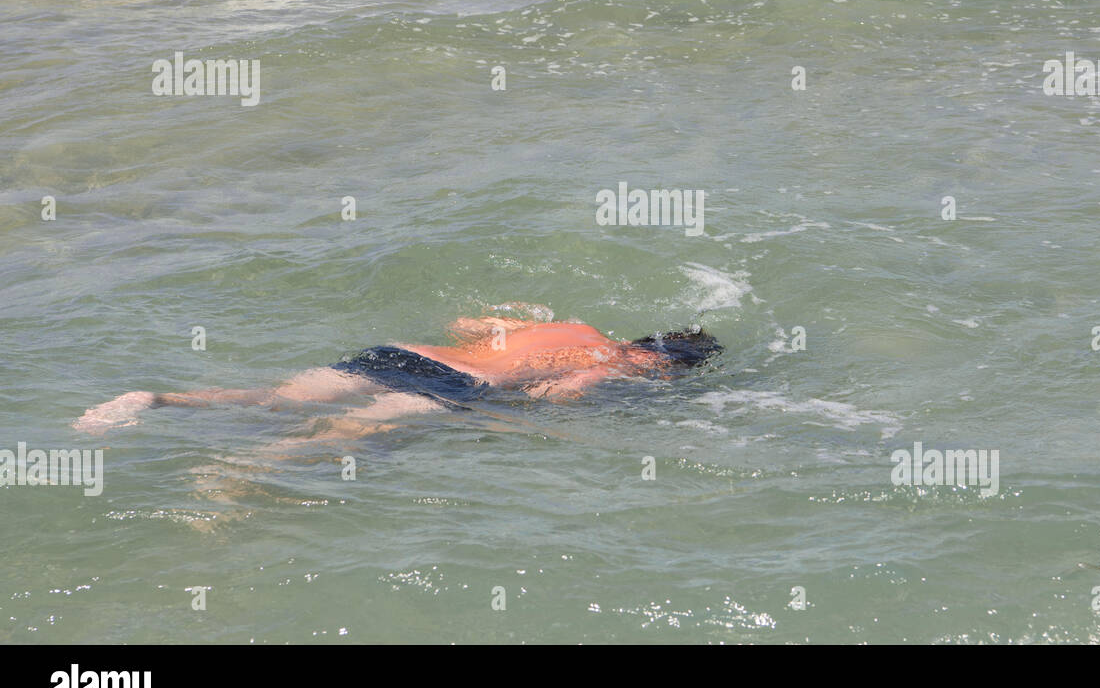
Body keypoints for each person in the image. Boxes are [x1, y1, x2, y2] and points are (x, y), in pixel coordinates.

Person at [77, 314, 721, 437]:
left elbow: (472, 322)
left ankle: (156, 399)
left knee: (275, 399)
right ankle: (241, 478)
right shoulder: (607, 362)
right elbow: (557, 399)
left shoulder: (576, 328)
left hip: (399, 353)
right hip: (454, 389)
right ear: (657, 358)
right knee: (342, 435)